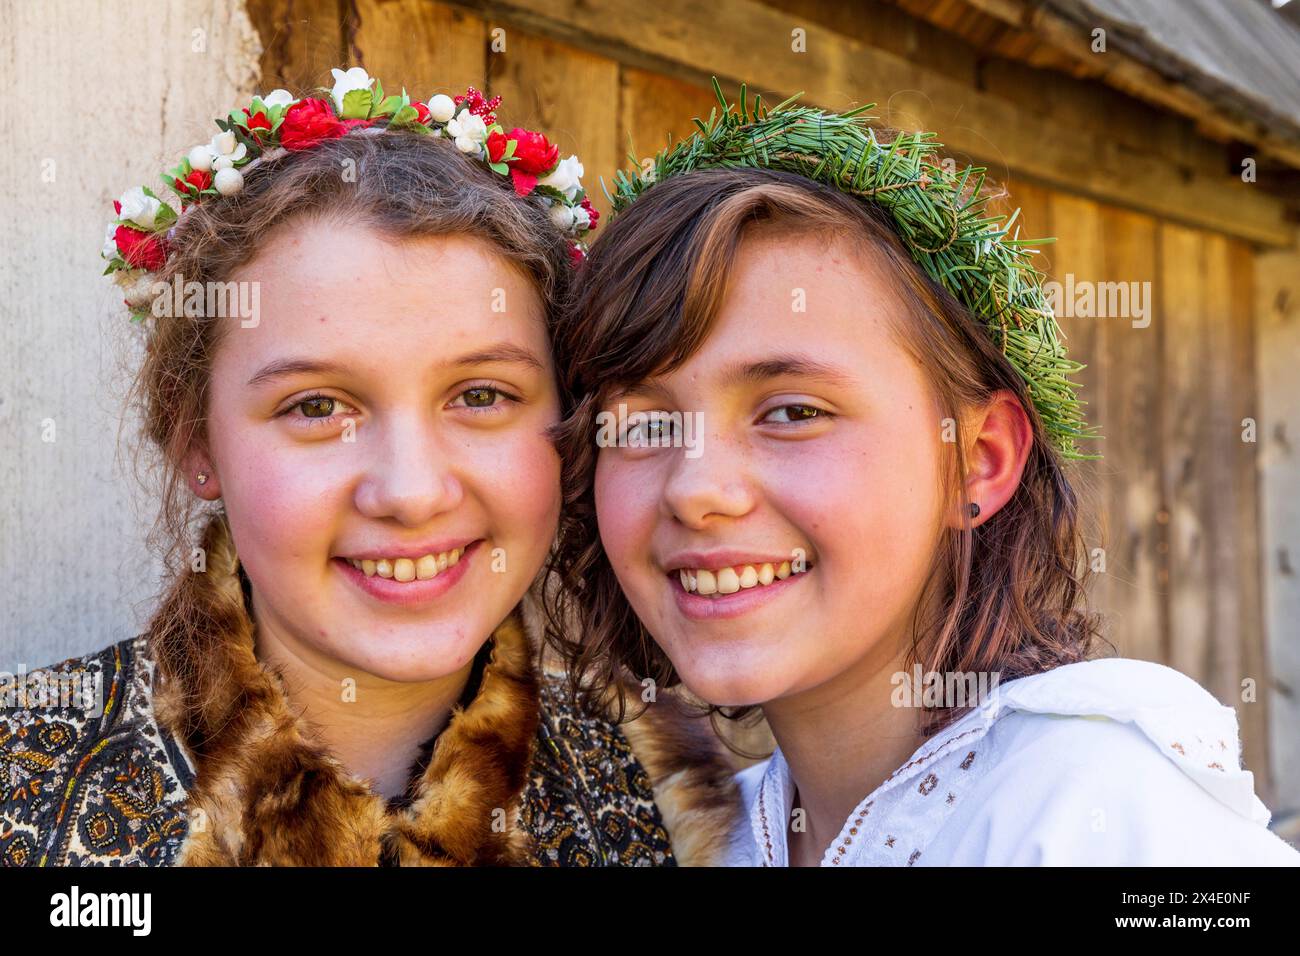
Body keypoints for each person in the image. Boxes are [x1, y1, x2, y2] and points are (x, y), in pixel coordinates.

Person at [542, 85, 1300, 866]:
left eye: (794, 412)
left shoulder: (1104, 814)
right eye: (645, 425)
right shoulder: (695, 841)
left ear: (979, 460)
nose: (696, 489)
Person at [0, 70, 738, 867]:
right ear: (197, 442)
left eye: (481, 394)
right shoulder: (24, 788)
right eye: (317, 407)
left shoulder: (675, 809)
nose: (412, 491)